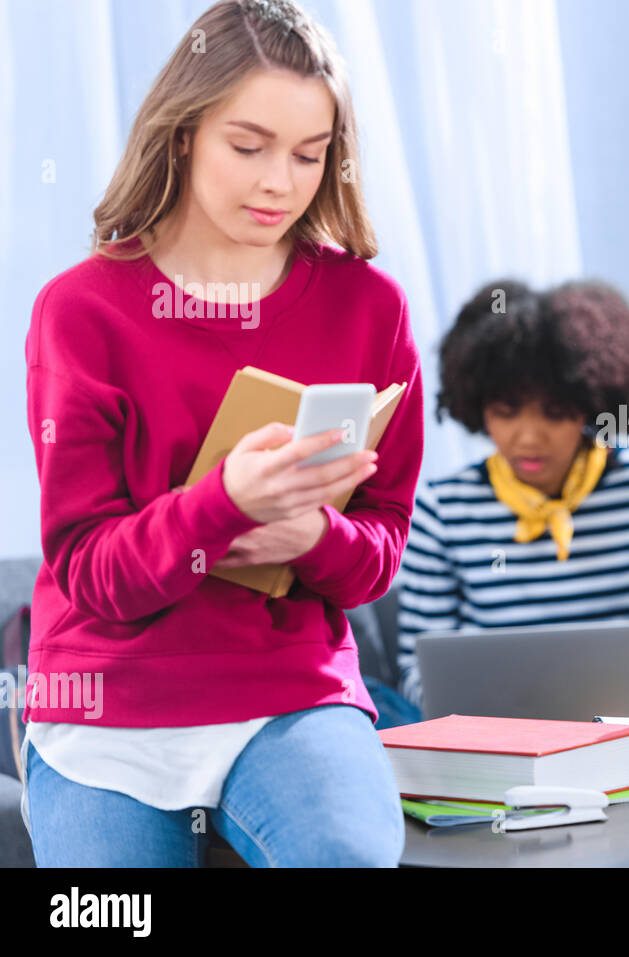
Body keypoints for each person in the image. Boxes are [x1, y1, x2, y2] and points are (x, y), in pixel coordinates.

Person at [20, 0, 422, 865]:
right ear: (183, 134)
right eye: (248, 146)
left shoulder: (369, 308)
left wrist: (312, 534)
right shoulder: (80, 313)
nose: (280, 181)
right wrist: (222, 507)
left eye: (309, 155)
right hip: (108, 697)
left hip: (289, 693)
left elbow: (381, 549)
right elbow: (91, 572)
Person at [391, 279, 629, 715]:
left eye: (555, 413)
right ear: (477, 406)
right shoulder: (441, 511)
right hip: (499, 747)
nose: (529, 437)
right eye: (506, 413)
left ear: (590, 403)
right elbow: (417, 673)